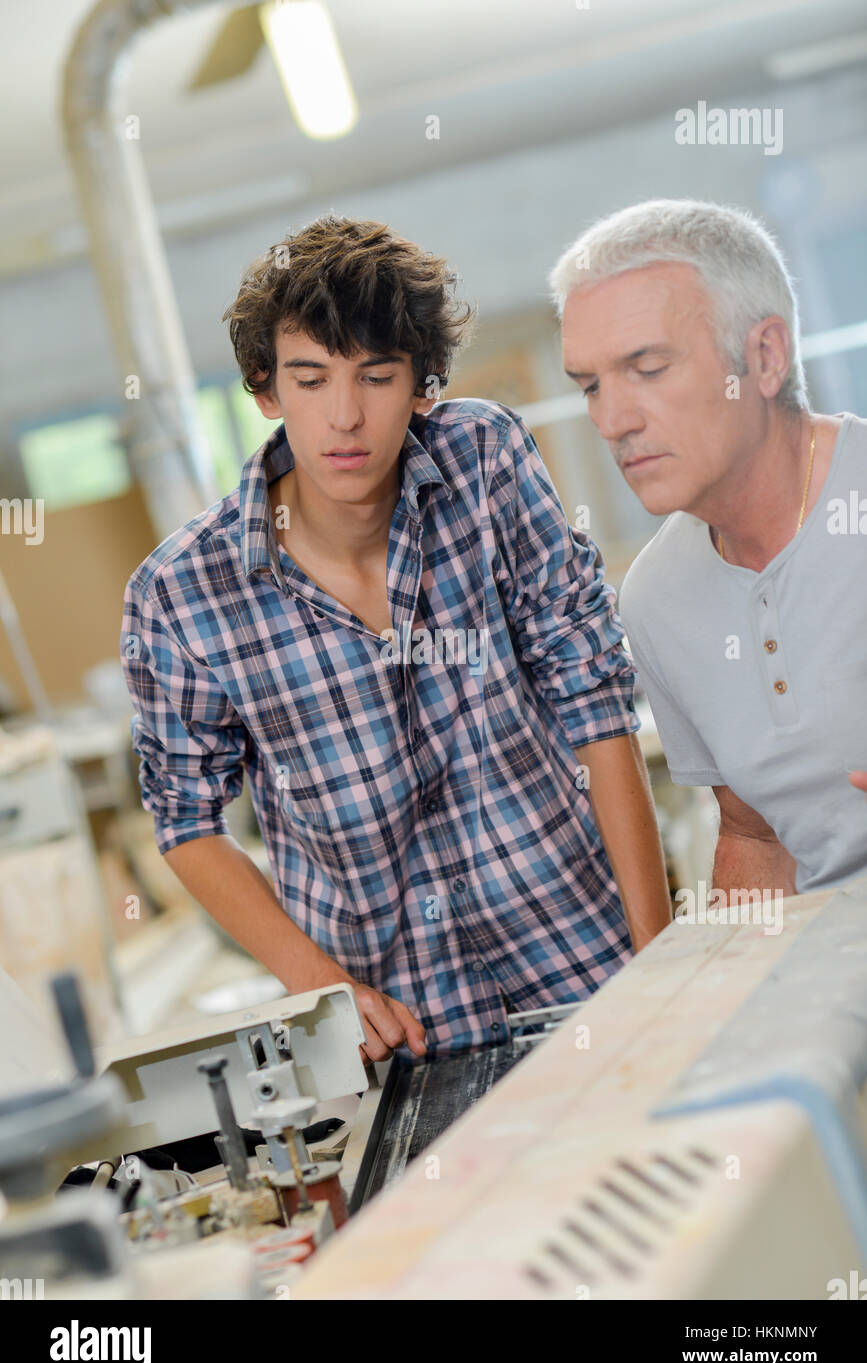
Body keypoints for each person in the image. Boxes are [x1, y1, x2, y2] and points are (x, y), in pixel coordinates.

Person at [121, 215, 671, 1063]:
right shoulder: (181, 594)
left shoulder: (484, 459)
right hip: (402, 1029)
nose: (344, 417)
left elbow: (591, 693)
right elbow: (186, 820)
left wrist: (656, 951)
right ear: (266, 392)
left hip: (584, 955)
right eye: (310, 380)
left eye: (375, 377)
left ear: (424, 384)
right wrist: (318, 985)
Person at [549, 198, 867, 902]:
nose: (612, 420)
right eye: (590, 385)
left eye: (647, 368)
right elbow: (754, 832)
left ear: (763, 356)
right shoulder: (655, 597)